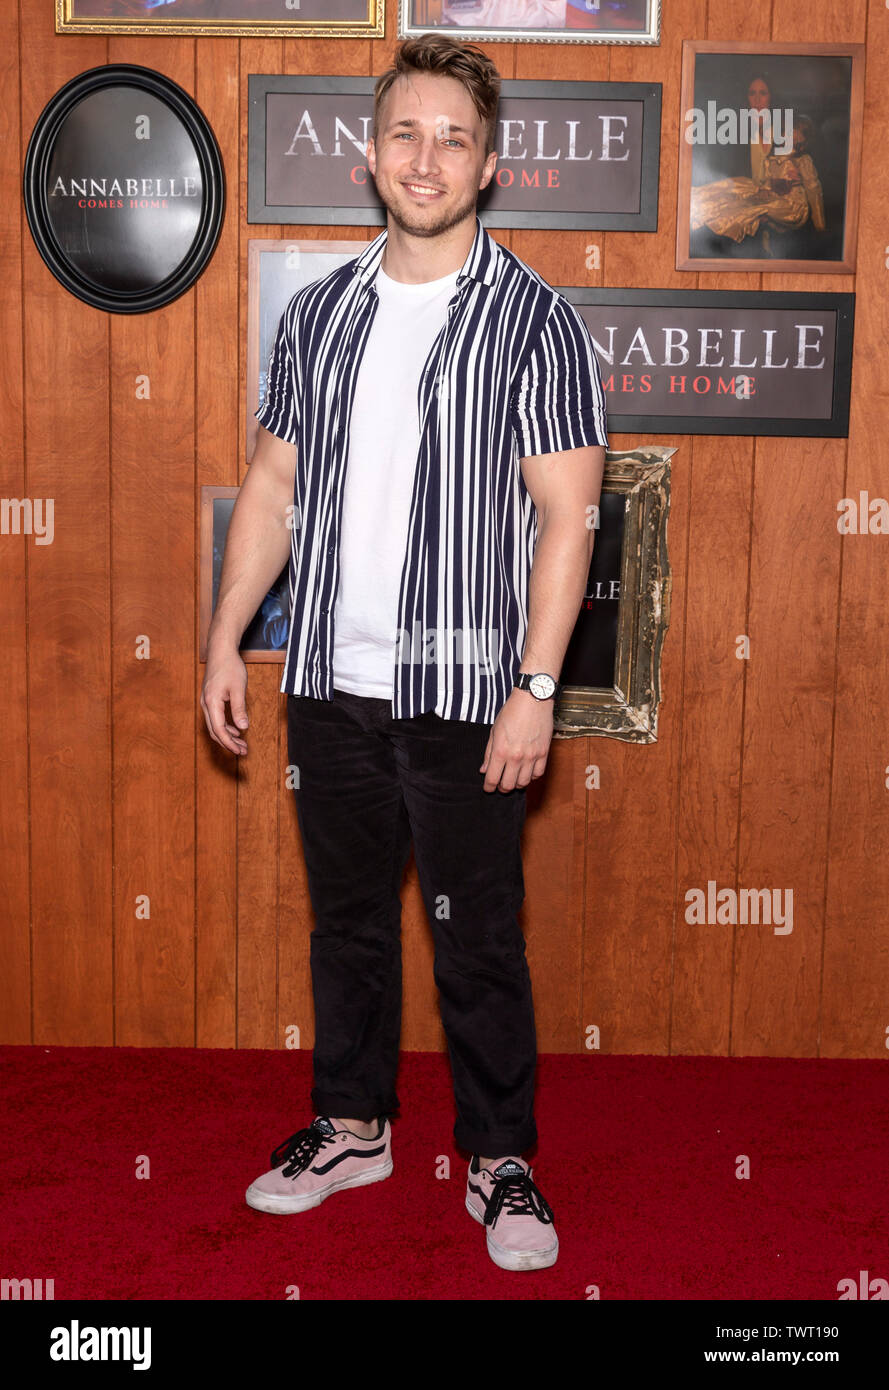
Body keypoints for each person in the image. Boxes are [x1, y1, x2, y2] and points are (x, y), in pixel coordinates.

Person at [201, 32, 607, 1274]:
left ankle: (498, 1159)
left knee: (477, 933)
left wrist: (535, 689)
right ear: (372, 154)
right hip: (328, 679)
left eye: (454, 139)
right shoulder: (318, 314)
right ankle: (353, 1126)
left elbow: (565, 519)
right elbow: (271, 488)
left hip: (467, 692)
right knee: (346, 925)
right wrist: (225, 639)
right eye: (405, 133)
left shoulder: (537, 320)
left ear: (488, 166)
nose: (425, 159)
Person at [690, 116, 825, 255]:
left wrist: (819, 223)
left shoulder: (803, 161)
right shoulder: (772, 158)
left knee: (757, 207)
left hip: (793, 206)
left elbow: (814, 189)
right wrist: (764, 190)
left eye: (792, 133)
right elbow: (768, 182)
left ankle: (724, 225)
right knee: (742, 186)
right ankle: (708, 207)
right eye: (785, 131)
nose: (786, 135)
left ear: (802, 140)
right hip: (774, 199)